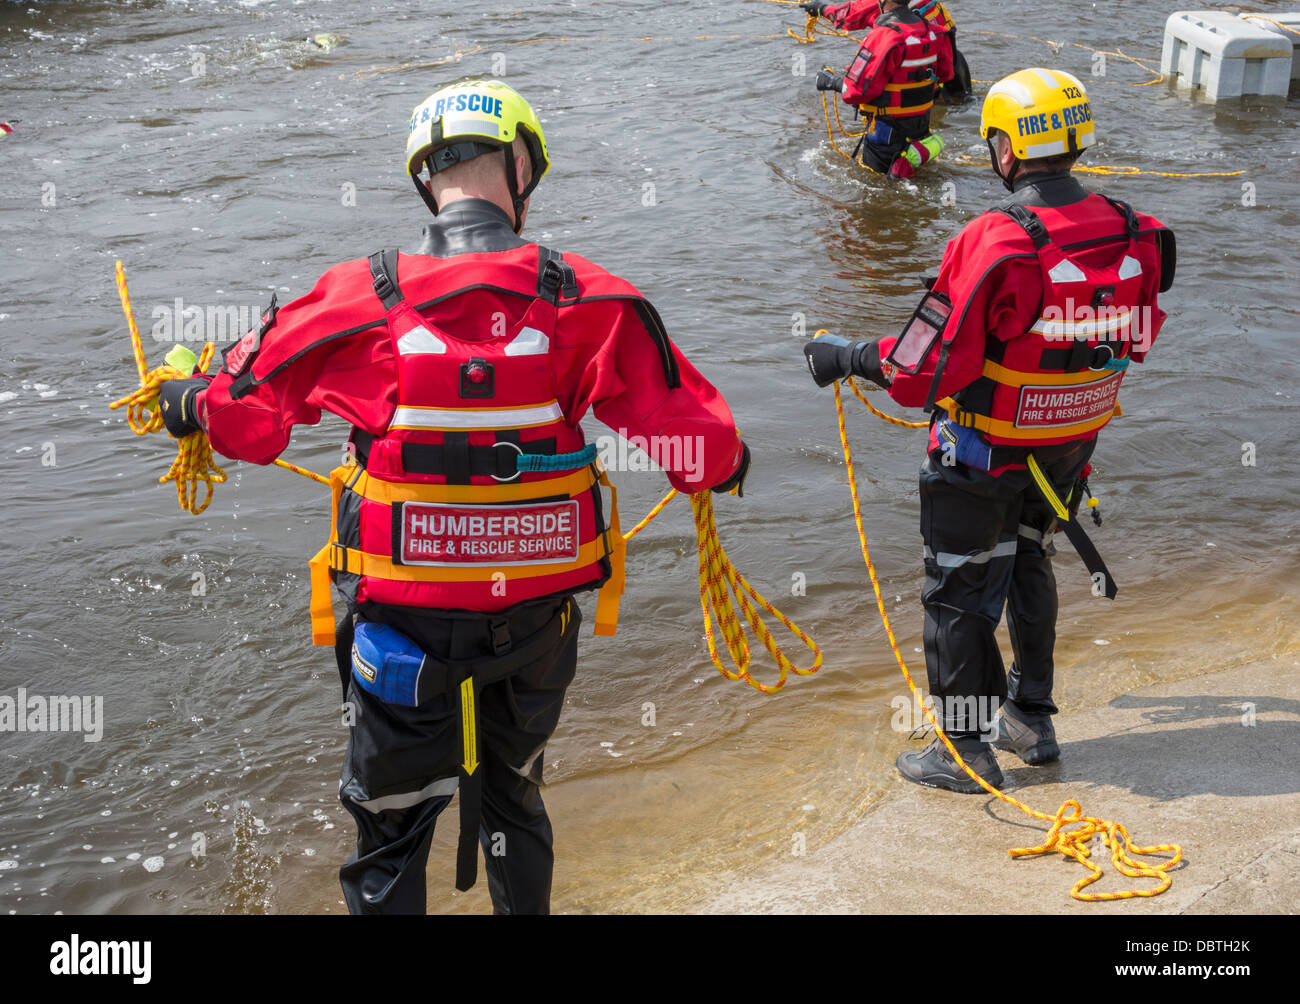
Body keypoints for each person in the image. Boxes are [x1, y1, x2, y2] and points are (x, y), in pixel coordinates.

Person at [159, 79, 750, 911]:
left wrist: (187, 401)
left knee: (392, 824)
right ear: (520, 167)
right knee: (515, 794)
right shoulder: (592, 299)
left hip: (402, 634)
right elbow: (705, 450)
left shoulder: (352, 296)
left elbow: (246, 425)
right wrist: (730, 466)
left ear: (424, 180)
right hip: (535, 632)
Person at [802, 68, 1175, 792]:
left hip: (982, 454)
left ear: (1006, 149)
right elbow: (1133, 337)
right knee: (1030, 559)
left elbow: (921, 371)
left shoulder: (996, 241)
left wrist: (844, 357)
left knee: (957, 591)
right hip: (1068, 446)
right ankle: (1032, 719)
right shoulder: (1140, 231)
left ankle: (964, 751)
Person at [809, 0, 955, 178]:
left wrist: (830, 82)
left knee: (874, 184)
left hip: (887, 136)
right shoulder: (935, 32)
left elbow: (854, 93)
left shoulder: (883, 37)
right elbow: (946, 75)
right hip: (921, 128)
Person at [801, 0, 972, 101]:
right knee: (959, 103)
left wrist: (820, 8)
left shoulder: (883, 4)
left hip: (912, 82)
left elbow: (848, 17)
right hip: (951, 63)